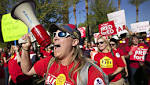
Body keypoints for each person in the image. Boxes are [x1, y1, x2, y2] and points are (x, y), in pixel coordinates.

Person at [20, 24, 108, 85]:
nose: (55, 38)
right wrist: (25, 49)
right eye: (54, 34)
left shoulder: (89, 72)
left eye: (61, 34)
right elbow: (27, 71)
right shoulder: (49, 62)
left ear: (74, 42)